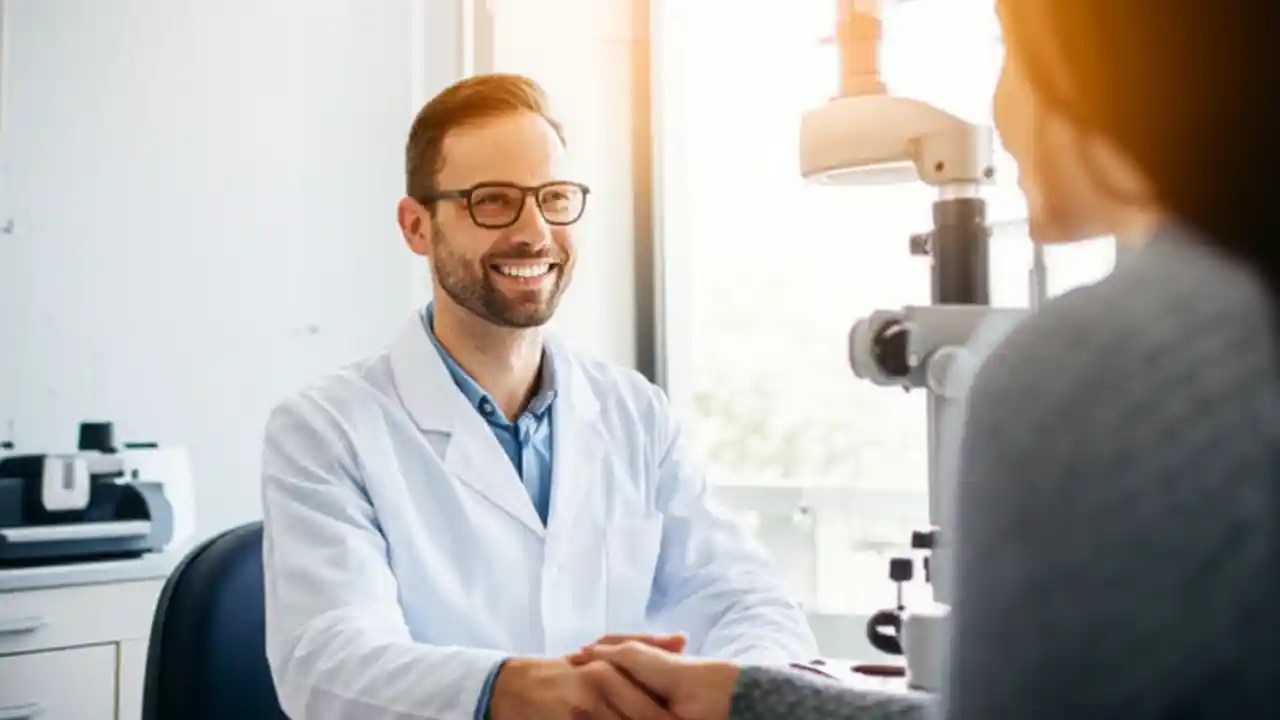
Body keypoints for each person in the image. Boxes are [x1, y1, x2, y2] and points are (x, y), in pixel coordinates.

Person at [569, 1, 1280, 718]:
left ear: (1102, 62)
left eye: (1012, 52)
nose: (1000, 109)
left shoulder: (1096, 368)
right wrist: (744, 700)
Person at [260, 73, 817, 720]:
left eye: (554, 198)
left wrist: (732, 689)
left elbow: (751, 601)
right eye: (493, 201)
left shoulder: (636, 413)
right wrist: (514, 689)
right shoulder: (326, 428)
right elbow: (329, 665)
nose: (535, 232)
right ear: (417, 227)